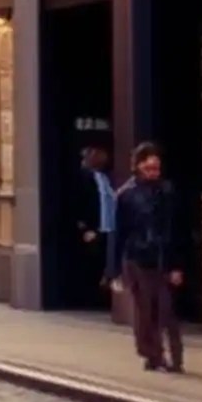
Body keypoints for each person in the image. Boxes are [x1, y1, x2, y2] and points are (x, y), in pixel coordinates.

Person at [108, 142, 186, 373]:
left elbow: (177, 229)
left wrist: (177, 265)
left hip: (163, 257)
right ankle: (153, 355)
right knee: (145, 312)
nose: (153, 172)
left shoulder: (168, 191)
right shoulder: (126, 195)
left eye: (156, 168)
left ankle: (175, 357)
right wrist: (113, 270)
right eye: (149, 167)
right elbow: (119, 233)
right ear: (139, 166)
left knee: (167, 310)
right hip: (138, 258)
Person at [73, 144, 114, 308]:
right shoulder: (82, 177)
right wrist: (84, 227)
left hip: (107, 227)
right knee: (91, 264)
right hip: (92, 228)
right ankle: (89, 299)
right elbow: (77, 203)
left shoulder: (106, 177)